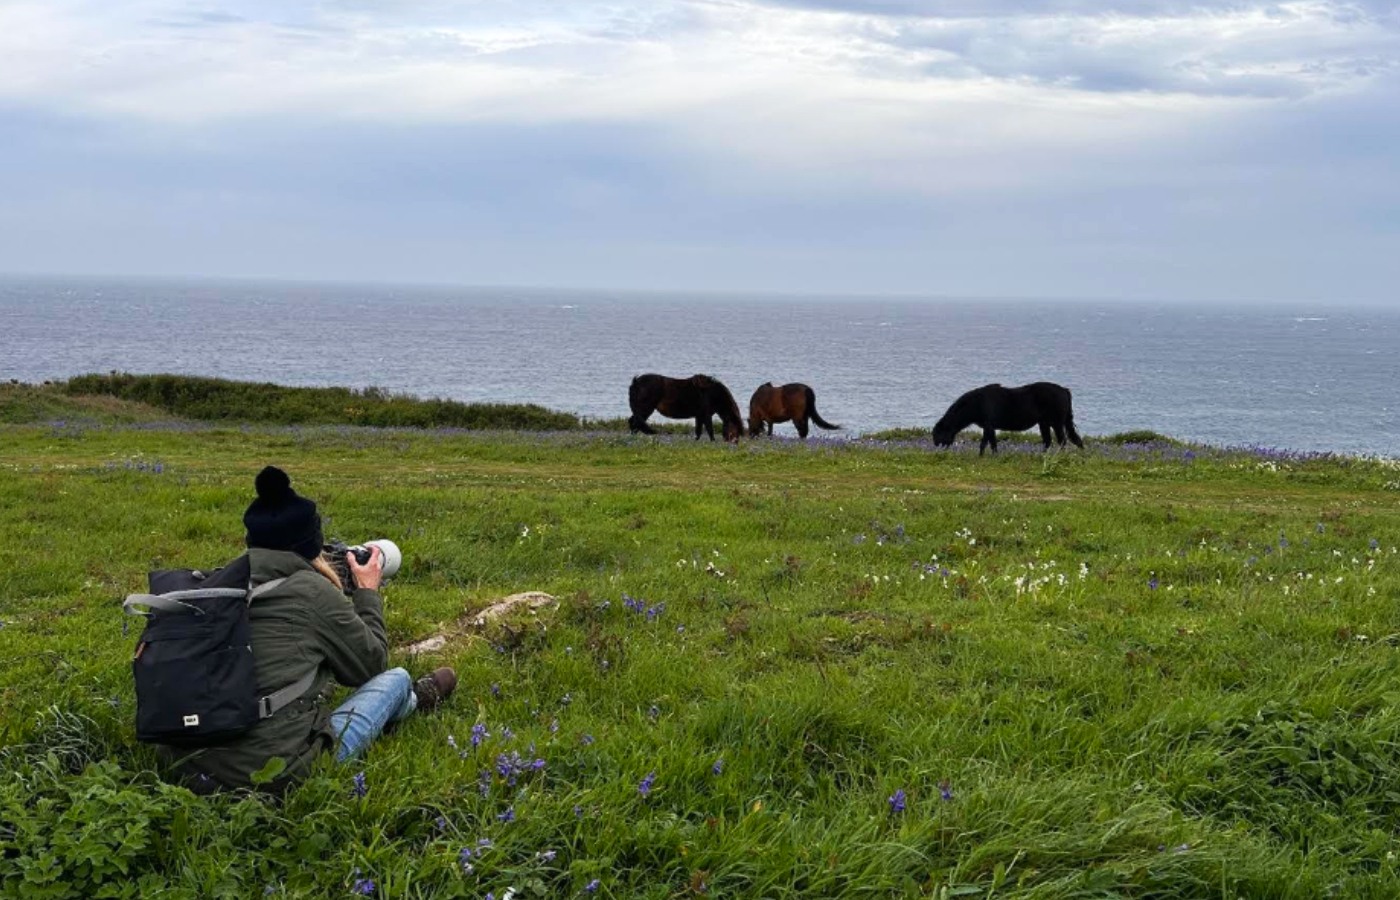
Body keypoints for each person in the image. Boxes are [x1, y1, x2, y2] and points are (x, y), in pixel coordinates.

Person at [162, 465, 456, 793]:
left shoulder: (216, 584)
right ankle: (413, 699)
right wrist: (368, 593)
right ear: (311, 544)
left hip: (186, 764)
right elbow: (371, 665)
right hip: (273, 774)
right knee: (396, 679)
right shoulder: (314, 593)